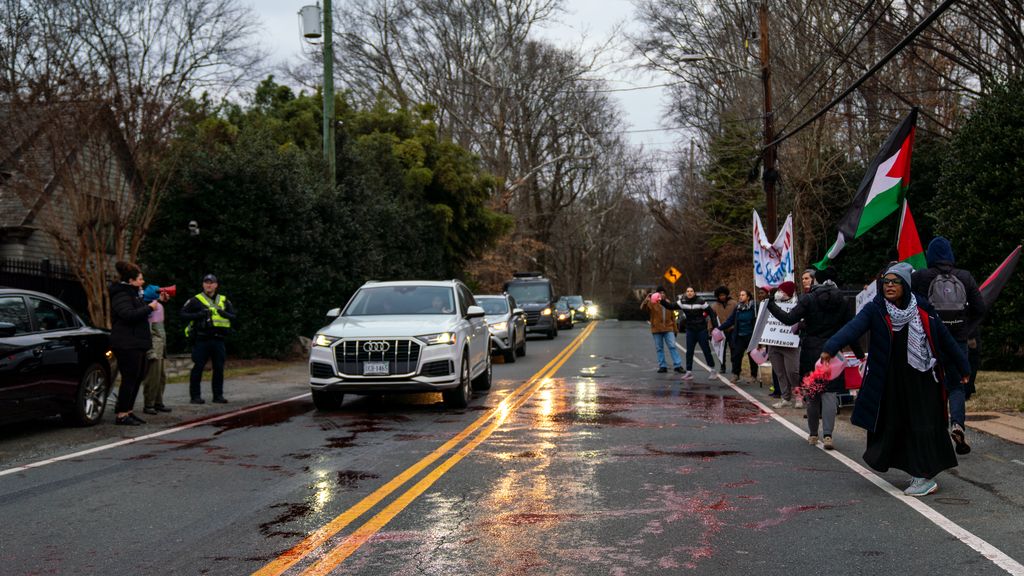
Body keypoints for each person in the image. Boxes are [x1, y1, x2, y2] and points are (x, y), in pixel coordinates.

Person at [822, 263, 970, 496]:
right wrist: (830, 347)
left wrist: (963, 368)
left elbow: (945, 339)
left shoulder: (922, 309)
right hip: (890, 382)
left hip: (921, 380)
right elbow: (853, 329)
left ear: (906, 285)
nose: (889, 286)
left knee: (921, 426)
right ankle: (917, 471)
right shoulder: (876, 309)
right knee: (895, 425)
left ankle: (924, 476)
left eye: (895, 281)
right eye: (886, 282)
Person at [767, 266, 862, 449]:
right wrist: (859, 355)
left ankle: (812, 434)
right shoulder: (842, 300)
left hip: (811, 352)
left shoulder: (809, 298)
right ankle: (828, 435)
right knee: (830, 394)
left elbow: (789, 319)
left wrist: (771, 303)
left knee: (812, 394)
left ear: (816, 280)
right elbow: (850, 330)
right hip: (833, 353)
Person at [911, 236, 985, 455]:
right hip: (958, 341)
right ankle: (958, 424)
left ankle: (935, 434)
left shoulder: (921, 276)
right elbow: (980, 308)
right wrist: (966, 329)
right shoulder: (965, 277)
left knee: (932, 386)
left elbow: (909, 304)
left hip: (930, 340)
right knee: (956, 385)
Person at [109, 261, 158, 426]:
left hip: (137, 342)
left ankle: (128, 410)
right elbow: (128, 314)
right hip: (126, 343)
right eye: (140, 279)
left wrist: (156, 302)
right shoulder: (121, 294)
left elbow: (139, 309)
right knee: (129, 378)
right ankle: (122, 414)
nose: (143, 282)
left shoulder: (134, 293)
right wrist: (149, 308)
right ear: (131, 281)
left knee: (138, 377)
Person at [181, 274, 236, 404]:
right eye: (206, 282)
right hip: (202, 339)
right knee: (198, 367)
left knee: (219, 368)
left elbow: (233, 317)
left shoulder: (224, 300)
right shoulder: (195, 300)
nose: (208, 285)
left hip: (219, 339)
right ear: (203, 284)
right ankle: (195, 397)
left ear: (216, 285)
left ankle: (218, 396)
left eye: (211, 283)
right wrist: (199, 315)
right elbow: (182, 314)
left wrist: (224, 313)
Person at [767, 281, 801, 409]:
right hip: (774, 343)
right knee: (780, 372)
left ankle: (798, 395)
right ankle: (785, 397)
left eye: (782, 291)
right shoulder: (771, 303)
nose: (779, 293)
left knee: (793, 371)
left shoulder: (798, 304)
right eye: (779, 291)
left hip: (790, 344)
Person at [640, 286, 684, 374]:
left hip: (668, 328)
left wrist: (675, 330)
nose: (662, 294)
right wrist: (646, 300)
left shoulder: (668, 303)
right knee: (659, 348)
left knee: (672, 346)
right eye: (660, 293)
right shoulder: (652, 303)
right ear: (657, 294)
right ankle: (662, 366)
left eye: (663, 293)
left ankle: (678, 365)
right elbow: (643, 309)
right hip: (656, 329)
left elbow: (673, 317)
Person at [142, 289, 171, 415]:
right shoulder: (149, 307)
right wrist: (150, 351)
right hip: (154, 346)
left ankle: (158, 402)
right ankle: (149, 404)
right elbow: (147, 331)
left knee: (161, 376)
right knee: (152, 377)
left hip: (161, 346)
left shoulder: (158, 306)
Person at [718, 289, 757, 383]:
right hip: (739, 336)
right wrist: (719, 328)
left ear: (748, 297)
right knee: (736, 356)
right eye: (740, 295)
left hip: (751, 336)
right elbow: (730, 320)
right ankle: (736, 374)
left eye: (743, 295)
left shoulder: (754, 307)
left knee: (752, 356)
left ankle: (753, 376)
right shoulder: (738, 308)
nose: (740, 297)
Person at [677, 286, 716, 381]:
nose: (689, 292)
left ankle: (713, 370)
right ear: (686, 293)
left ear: (694, 293)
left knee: (706, 350)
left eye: (691, 291)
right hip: (690, 330)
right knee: (689, 351)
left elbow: (711, 312)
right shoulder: (683, 302)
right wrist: (661, 300)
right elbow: (670, 306)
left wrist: (715, 327)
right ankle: (689, 372)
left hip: (701, 330)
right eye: (688, 291)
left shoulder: (700, 301)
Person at [709, 286, 737, 376]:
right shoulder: (714, 306)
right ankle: (722, 366)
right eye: (720, 295)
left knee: (733, 348)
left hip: (732, 329)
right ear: (717, 296)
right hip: (720, 331)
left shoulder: (733, 303)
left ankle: (734, 366)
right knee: (721, 350)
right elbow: (711, 319)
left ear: (726, 294)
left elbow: (737, 316)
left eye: (724, 295)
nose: (722, 297)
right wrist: (710, 330)